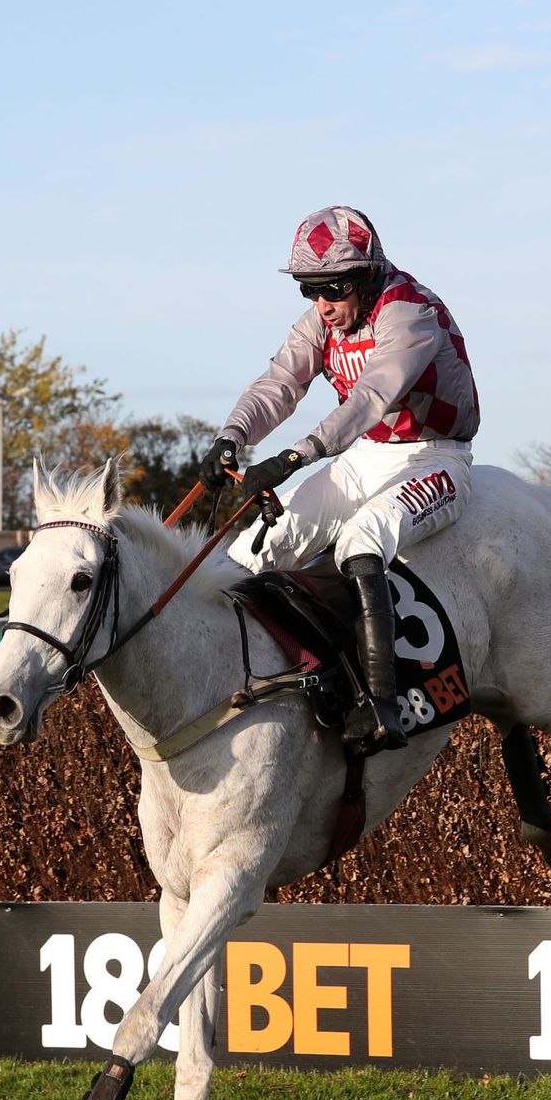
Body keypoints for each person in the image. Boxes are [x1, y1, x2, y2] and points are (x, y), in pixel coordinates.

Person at [199, 206, 479, 755]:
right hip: (366, 457)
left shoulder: (410, 312)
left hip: (434, 457)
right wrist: (230, 436)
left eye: (335, 288)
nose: (323, 305)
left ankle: (382, 704)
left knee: (361, 539)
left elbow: (371, 398)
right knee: (259, 550)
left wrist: (297, 455)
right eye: (310, 291)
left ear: (369, 275)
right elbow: (281, 382)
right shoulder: (322, 321)